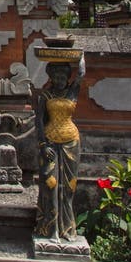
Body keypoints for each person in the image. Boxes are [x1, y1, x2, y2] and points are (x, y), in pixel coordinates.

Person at [34, 57, 85, 240]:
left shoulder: (73, 91)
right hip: (50, 142)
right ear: (50, 77)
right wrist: (42, 144)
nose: (59, 79)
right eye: (56, 75)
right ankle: (50, 228)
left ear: (67, 76)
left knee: (69, 187)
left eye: (63, 75)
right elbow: (39, 121)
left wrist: (80, 55)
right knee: (51, 184)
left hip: (71, 142)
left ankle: (67, 229)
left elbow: (82, 73)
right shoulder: (45, 95)